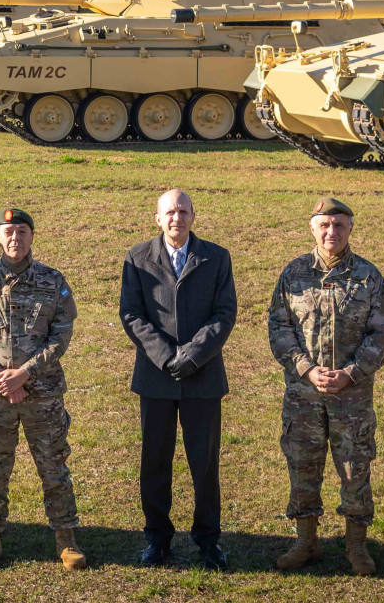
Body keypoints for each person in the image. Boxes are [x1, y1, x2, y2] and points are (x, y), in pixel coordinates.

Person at [267, 197, 384, 576]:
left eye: (339, 225)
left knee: (355, 470)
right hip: (304, 397)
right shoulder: (293, 274)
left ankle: (356, 547)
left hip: (352, 399)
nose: (331, 232)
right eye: (324, 224)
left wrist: (352, 373)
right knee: (303, 468)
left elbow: (382, 332)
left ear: (350, 228)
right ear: (312, 227)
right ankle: (305, 542)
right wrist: (306, 369)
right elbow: (279, 328)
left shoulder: (368, 277)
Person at [0, 208, 85, 573]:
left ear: (32, 236)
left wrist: (25, 373)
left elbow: (61, 335)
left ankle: (66, 536)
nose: (16, 238)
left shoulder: (51, 280)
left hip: (42, 393)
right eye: (9, 231)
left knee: (54, 465)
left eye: (23, 231)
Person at [119, 188, 237, 571]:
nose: (176, 218)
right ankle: (157, 539)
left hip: (203, 378)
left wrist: (194, 354)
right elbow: (131, 314)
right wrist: (166, 356)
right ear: (157, 218)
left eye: (183, 211)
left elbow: (224, 313)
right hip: (156, 378)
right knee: (154, 461)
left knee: (204, 464)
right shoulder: (137, 258)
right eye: (169, 212)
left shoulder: (216, 257)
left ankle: (208, 541)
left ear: (193, 216)